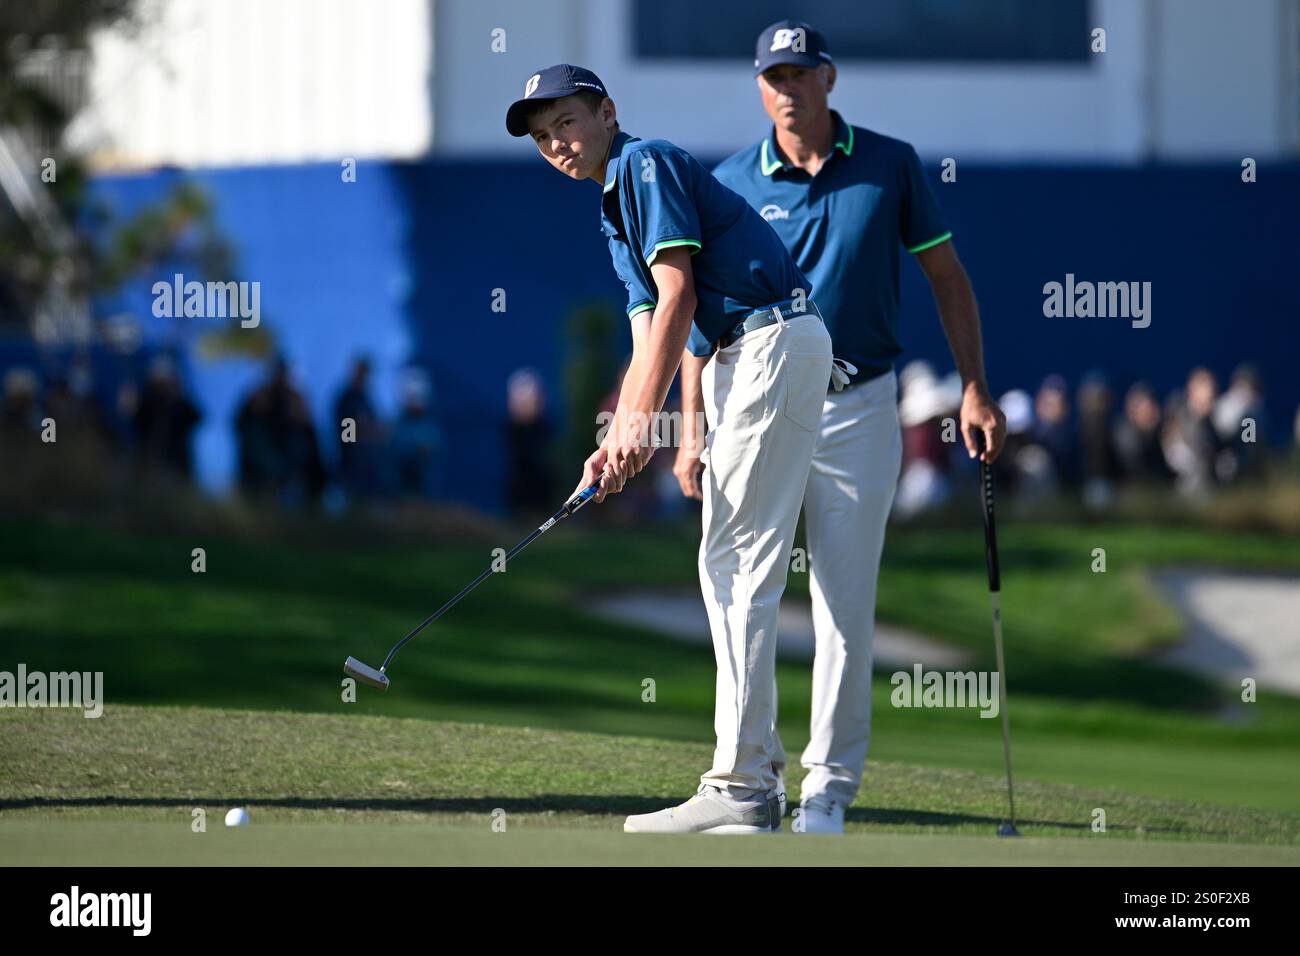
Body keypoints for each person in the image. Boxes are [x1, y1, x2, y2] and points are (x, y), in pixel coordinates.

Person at [696, 20, 1005, 834]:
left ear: (829, 79)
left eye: (801, 74)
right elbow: (701, 322)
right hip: (754, 409)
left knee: (842, 602)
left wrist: (973, 387)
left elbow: (947, 277)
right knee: (745, 593)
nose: (787, 89)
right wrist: (690, 428)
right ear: (759, 87)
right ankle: (746, 783)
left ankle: (826, 790)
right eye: (774, 77)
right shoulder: (726, 180)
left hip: (859, 404)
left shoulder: (891, 165)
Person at [507, 63, 832, 834]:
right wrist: (620, 438)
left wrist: (637, 424)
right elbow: (650, 327)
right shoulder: (613, 207)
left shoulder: (644, 163)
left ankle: (743, 785)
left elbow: (681, 294)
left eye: (567, 124)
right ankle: (752, 781)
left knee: (741, 565)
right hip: (748, 356)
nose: (557, 143)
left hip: (768, 344)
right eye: (544, 136)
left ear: (607, 113)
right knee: (728, 565)